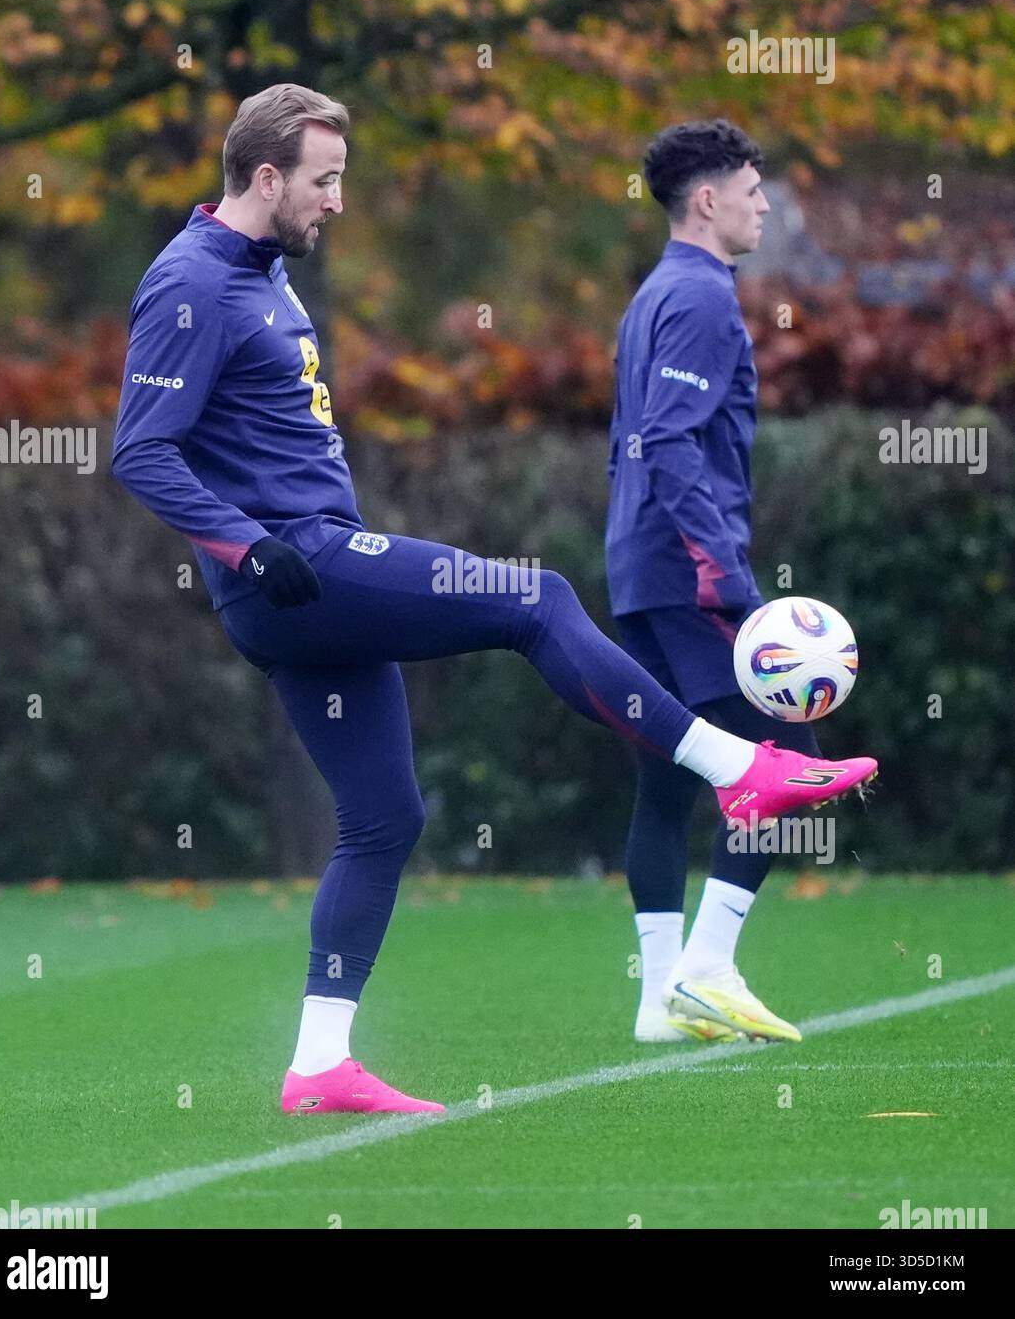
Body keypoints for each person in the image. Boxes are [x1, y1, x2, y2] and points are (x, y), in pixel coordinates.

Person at [112, 86, 877, 1114]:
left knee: (383, 817)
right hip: (295, 567)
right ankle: (738, 770)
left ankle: (320, 1063)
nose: (337, 202)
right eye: (324, 181)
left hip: (308, 573)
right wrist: (246, 548)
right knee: (534, 598)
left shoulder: (267, 274)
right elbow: (138, 451)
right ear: (264, 178)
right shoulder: (189, 283)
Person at [606, 119, 844, 1047]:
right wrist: (731, 581)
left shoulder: (653, 295)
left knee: (666, 781)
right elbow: (666, 442)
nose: (763, 205)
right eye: (752, 191)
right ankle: (706, 971)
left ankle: (659, 999)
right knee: (789, 765)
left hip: (640, 569)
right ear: (708, 200)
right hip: (687, 577)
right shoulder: (701, 297)